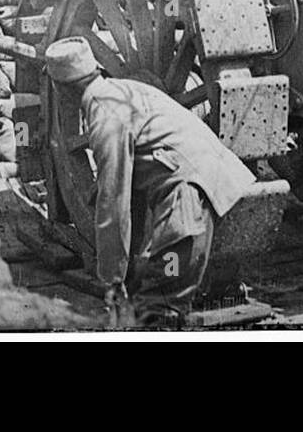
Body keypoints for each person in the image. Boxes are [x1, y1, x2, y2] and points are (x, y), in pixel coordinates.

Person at [43, 36, 256, 327]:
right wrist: (127, 269)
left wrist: (113, 279)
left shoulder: (104, 115)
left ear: (62, 88)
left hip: (186, 199)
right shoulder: (127, 89)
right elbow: (132, 193)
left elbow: (113, 201)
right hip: (218, 184)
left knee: (158, 309)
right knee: (165, 299)